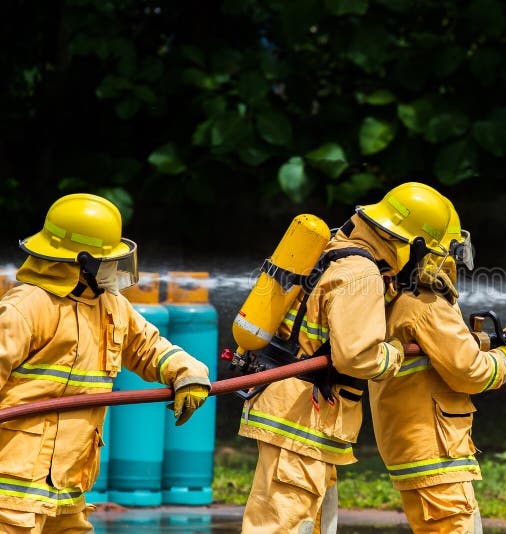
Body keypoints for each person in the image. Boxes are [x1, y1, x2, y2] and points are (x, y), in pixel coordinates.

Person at [239, 182, 454, 533]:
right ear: (412, 243)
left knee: (305, 521)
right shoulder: (361, 273)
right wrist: (394, 351)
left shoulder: (338, 249)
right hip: (302, 417)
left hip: (292, 406)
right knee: (283, 524)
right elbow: (356, 357)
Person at [0, 193, 211, 533]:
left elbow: (149, 347)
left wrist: (188, 373)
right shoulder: (27, 306)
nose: (114, 269)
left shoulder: (110, 305)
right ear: (80, 262)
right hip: (11, 491)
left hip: (67, 489)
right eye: (106, 260)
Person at [369, 204, 506, 533]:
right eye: (452, 251)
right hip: (435, 452)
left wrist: (481, 342)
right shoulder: (427, 304)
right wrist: (504, 359)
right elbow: (469, 372)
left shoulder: (396, 299)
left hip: (416, 446)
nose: (455, 262)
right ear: (430, 252)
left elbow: (440, 354)